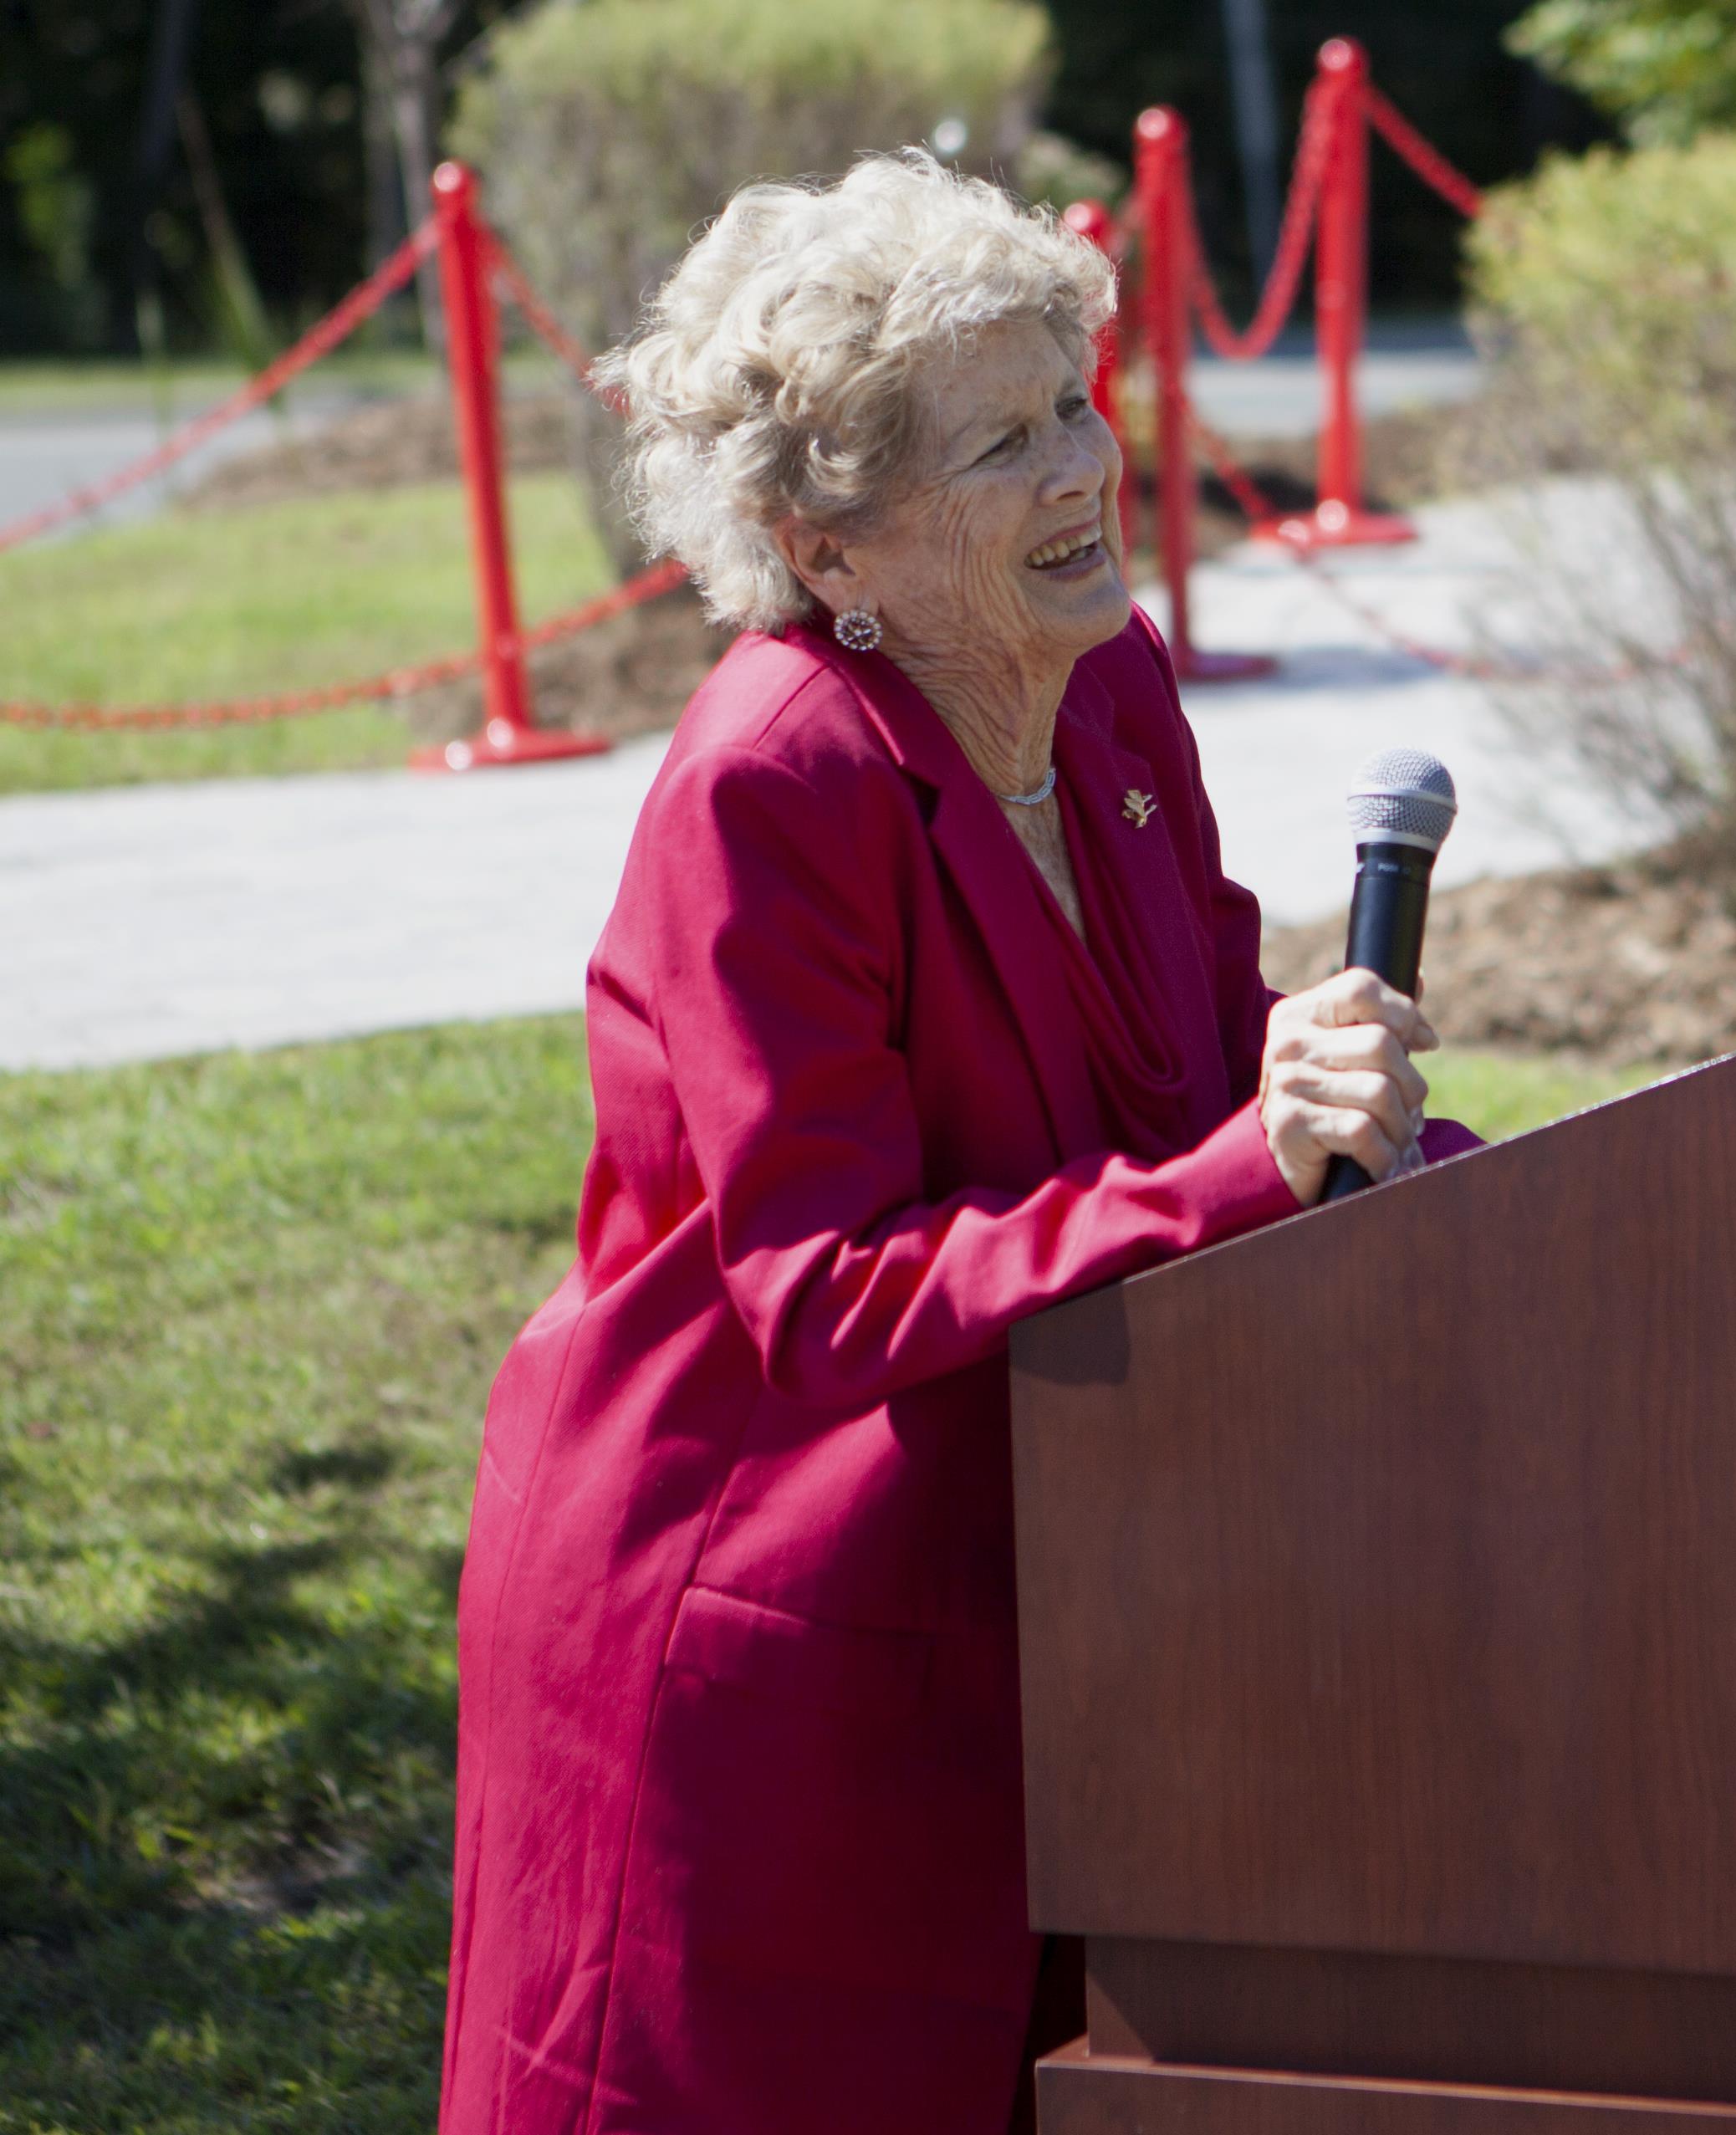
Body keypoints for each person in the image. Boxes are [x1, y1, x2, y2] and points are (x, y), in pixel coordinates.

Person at [439, 153, 1463, 2135]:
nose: (1085, 467)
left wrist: (1407, 1143)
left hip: (1055, 1578)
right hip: (755, 1623)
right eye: (1005, 438)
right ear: (833, 543)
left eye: (1079, 401)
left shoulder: (1103, 684)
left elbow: (1196, 1066)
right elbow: (822, 1297)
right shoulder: (771, 778)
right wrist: (1249, 1164)